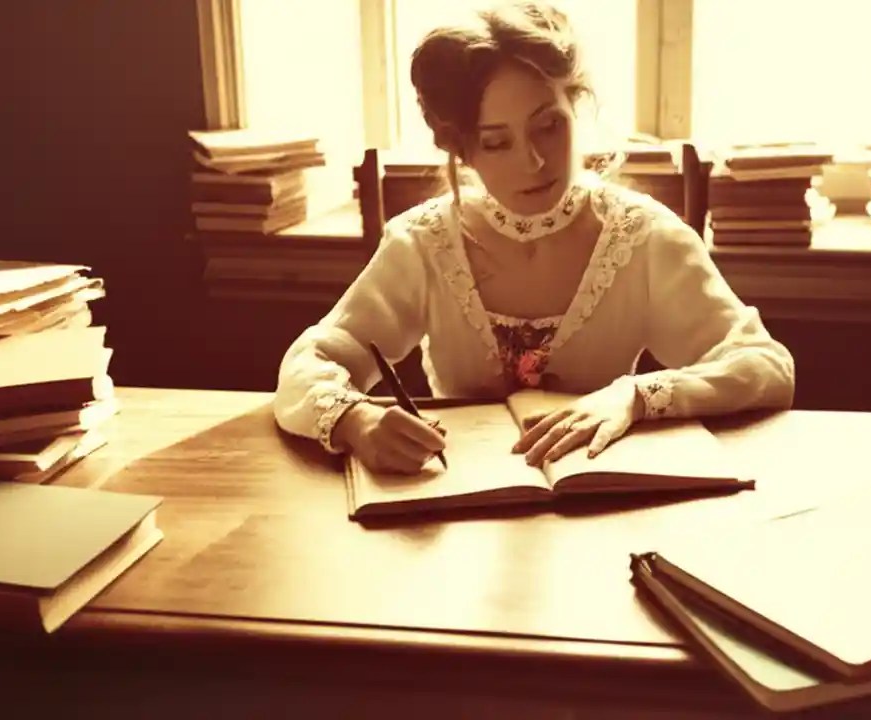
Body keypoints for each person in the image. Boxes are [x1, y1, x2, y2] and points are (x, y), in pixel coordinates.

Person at [274, 1, 794, 474]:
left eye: (549, 126)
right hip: (455, 513)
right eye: (497, 142)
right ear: (463, 151)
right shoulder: (424, 243)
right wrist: (355, 421)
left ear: (576, 108)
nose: (534, 161)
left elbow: (766, 366)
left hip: (606, 509)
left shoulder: (643, 237)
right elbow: (308, 364)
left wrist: (636, 396)